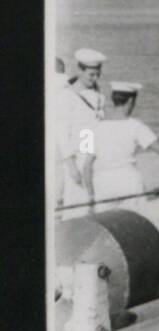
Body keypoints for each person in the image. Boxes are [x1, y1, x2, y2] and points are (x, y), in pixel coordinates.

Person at [87, 82, 159, 207]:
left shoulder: (94, 127)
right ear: (131, 101)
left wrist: (90, 195)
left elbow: (86, 166)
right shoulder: (136, 126)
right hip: (128, 181)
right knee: (134, 223)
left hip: (102, 183)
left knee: (106, 224)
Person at [57, 48, 106, 213]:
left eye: (98, 74)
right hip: (77, 157)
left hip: (94, 155)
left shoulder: (99, 95)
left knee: (96, 203)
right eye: (91, 74)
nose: (95, 78)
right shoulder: (67, 96)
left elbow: (96, 127)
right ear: (80, 70)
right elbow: (62, 133)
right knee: (77, 205)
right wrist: (71, 165)